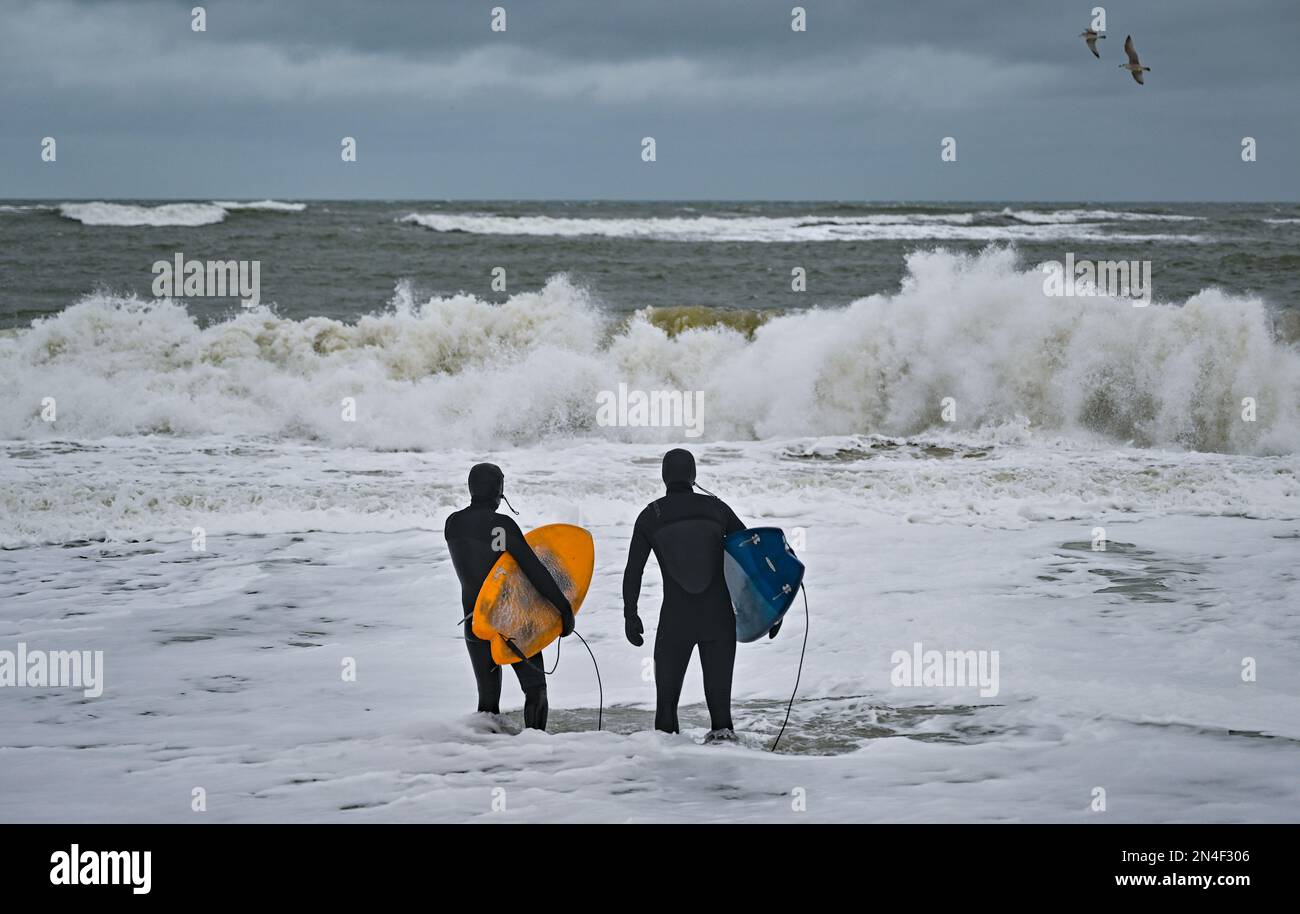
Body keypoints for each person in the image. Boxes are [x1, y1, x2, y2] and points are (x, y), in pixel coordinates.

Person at [622, 448, 777, 742]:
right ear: (694, 476)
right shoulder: (717, 509)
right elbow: (752, 555)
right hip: (718, 621)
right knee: (722, 721)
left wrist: (630, 614)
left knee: (665, 714)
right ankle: (725, 779)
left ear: (664, 477)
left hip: (675, 622)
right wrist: (771, 609)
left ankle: (666, 778)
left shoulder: (649, 516)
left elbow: (634, 572)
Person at [444, 463, 574, 730]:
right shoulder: (501, 525)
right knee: (535, 690)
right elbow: (534, 570)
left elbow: (483, 563)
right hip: (509, 621)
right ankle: (534, 753)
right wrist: (563, 607)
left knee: (487, 705)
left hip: (474, 621)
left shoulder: (453, 524)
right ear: (499, 488)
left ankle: (485, 761)